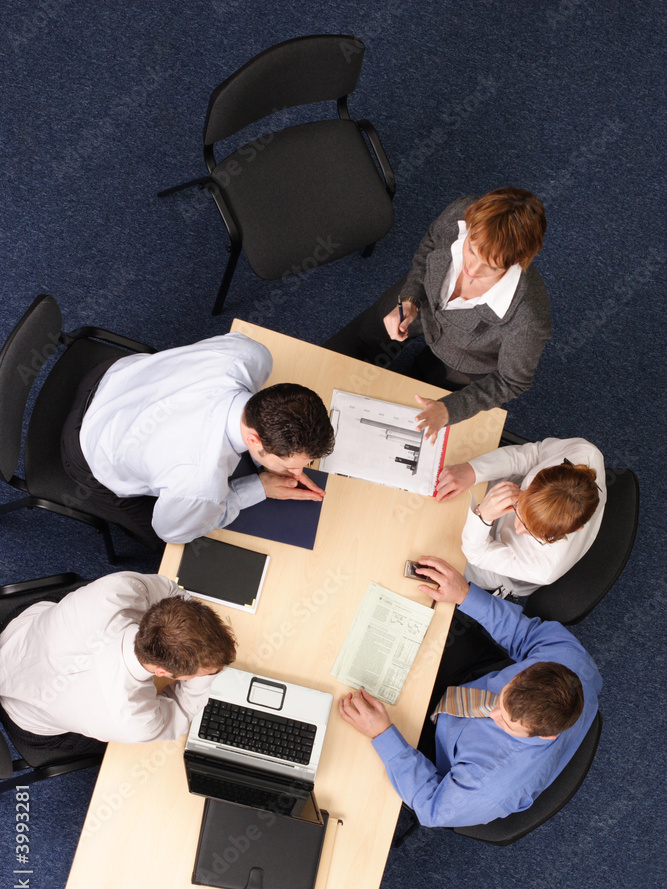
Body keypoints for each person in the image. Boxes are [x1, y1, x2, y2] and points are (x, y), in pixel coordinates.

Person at [338, 558, 601, 828]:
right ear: (529, 671)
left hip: (442, 749)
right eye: (503, 698)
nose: (492, 712)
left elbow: (432, 808)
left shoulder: (489, 784)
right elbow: (523, 634)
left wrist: (382, 733)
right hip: (477, 677)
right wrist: (465, 594)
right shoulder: (568, 660)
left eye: (506, 721)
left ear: (547, 736)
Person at [61, 332, 335, 547]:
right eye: (294, 464)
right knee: (168, 545)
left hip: (111, 376)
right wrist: (258, 487)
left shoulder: (252, 356)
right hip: (88, 447)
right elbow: (170, 532)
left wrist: (274, 455)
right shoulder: (199, 485)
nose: (297, 472)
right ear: (254, 440)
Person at [325, 187, 551, 437]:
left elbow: (512, 381)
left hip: (466, 355)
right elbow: (430, 245)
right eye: (471, 250)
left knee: (423, 394)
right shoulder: (460, 214)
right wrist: (410, 297)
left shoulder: (527, 320)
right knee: (363, 337)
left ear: (521, 260)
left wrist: (449, 410)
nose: (472, 270)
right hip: (424, 294)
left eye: (491, 266)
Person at [0, 572, 237, 751]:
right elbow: (182, 712)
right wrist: (209, 674)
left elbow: (176, 596)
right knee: (107, 749)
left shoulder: (119, 590)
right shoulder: (134, 721)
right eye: (198, 673)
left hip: (20, 634)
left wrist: (199, 649)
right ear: (161, 671)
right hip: (27, 717)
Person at [436, 437, 606, 596]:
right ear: (538, 478)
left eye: (536, 535)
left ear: (577, 529)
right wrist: (473, 471)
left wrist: (482, 516)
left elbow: (478, 554)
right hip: (502, 495)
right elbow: (534, 455)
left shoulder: (543, 568)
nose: (517, 529)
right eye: (520, 509)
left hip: (496, 565)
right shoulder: (584, 452)